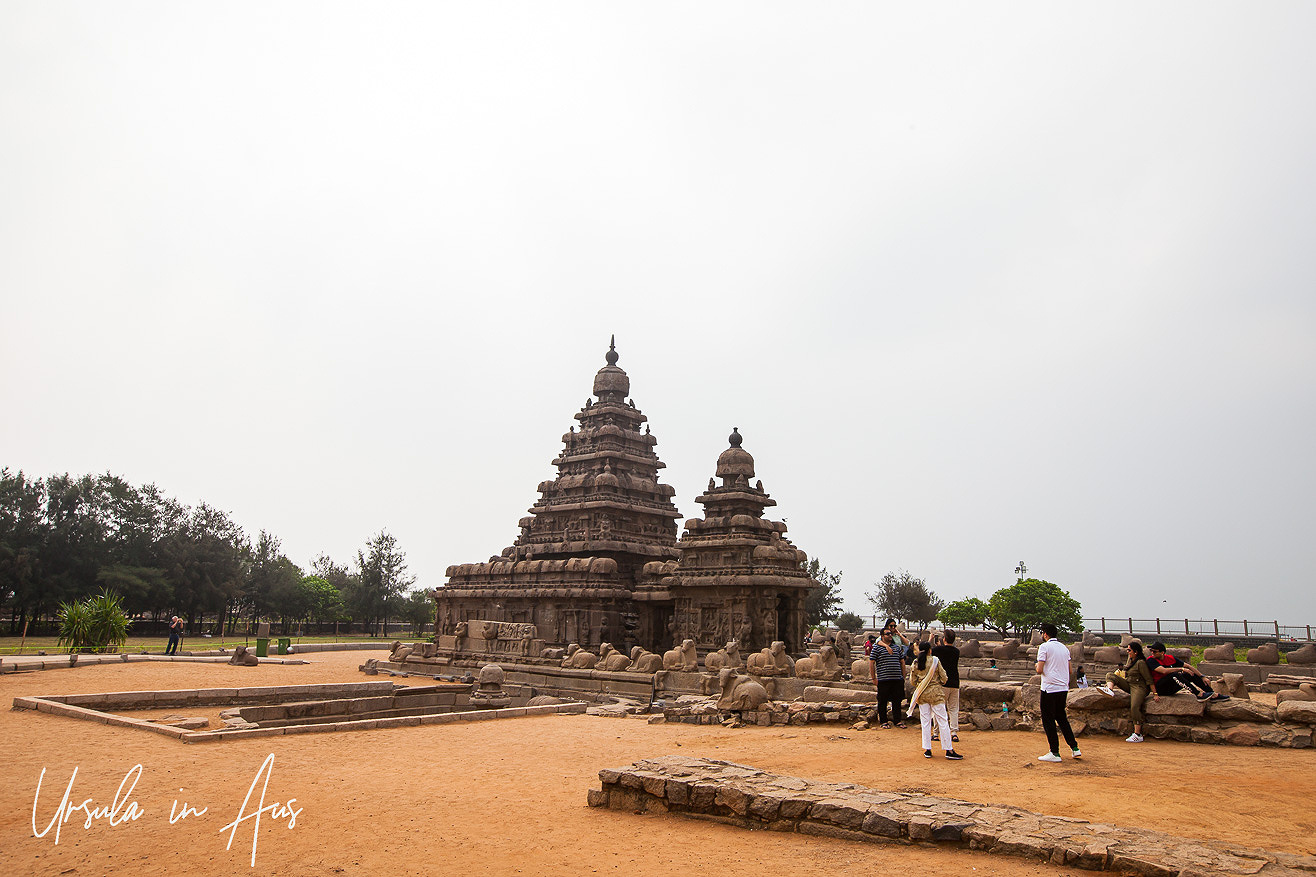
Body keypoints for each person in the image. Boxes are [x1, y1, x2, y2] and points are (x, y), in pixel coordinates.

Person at [1035, 622, 1081, 762]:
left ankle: (1054, 752)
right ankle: (1074, 748)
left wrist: (1036, 666)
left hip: (1049, 688)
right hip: (1062, 688)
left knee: (1048, 720)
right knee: (1061, 718)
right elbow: (1070, 670)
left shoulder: (1044, 647)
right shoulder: (1064, 648)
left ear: (1045, 634)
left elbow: (1039, 669)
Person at [908, 641, 962, 759]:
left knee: (925, 722)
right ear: (930, 650)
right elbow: (944, 677)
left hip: (922, 694)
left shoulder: (916, 663)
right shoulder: (935, 661)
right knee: (942, 720)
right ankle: (948, 749)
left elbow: (912, 681)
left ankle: (927, 749)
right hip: (936, 693)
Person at [1101, 640, 1159, 742]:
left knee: (1135, 707)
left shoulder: (1140, 663)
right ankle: (1109, 689)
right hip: (1129, 684)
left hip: (1139, 687)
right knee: (1110, 675)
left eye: (1129, 650)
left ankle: (1138, 734)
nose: (1127, 652)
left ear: (1135, 652)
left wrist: (1155, 694)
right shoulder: (1131, 661)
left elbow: (1149, 679)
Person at [1146, 642, 1225, 702]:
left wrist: (1202, 676)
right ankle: (1198, 694)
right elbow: (1164, 671)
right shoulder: (1150, 660)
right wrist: (1181, 669)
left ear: (1162, 652)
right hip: (1160, 688)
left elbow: (1188, 666)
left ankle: (1213, 694)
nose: (1152, 653)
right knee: (1174, 674)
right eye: (1151, 651)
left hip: (1171, 686)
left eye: (1154, 651)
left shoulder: (1170, 658)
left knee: (1189, 674)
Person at [868, 629, 907, 729]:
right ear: (882, 636)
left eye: (891, 633)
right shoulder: (876, 648)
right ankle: (883, 721)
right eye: (887, 634)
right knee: (882, 701)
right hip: (883, 679)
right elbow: (871, 663)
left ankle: (897, 721)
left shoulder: (896, 648)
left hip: (897, 679)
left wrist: (903, 675)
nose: (890, 635)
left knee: (897, 701)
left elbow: (902, 662)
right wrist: (873, 678)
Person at [931, 629, 962, 744]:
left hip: (942, 683)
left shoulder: (937, 650)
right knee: (953, 708)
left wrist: (931, 640)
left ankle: (936, 733)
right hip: (954, 682)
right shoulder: (956, 651)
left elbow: (929, 652)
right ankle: (954, 732)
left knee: (939, 708)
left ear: (944, 639)